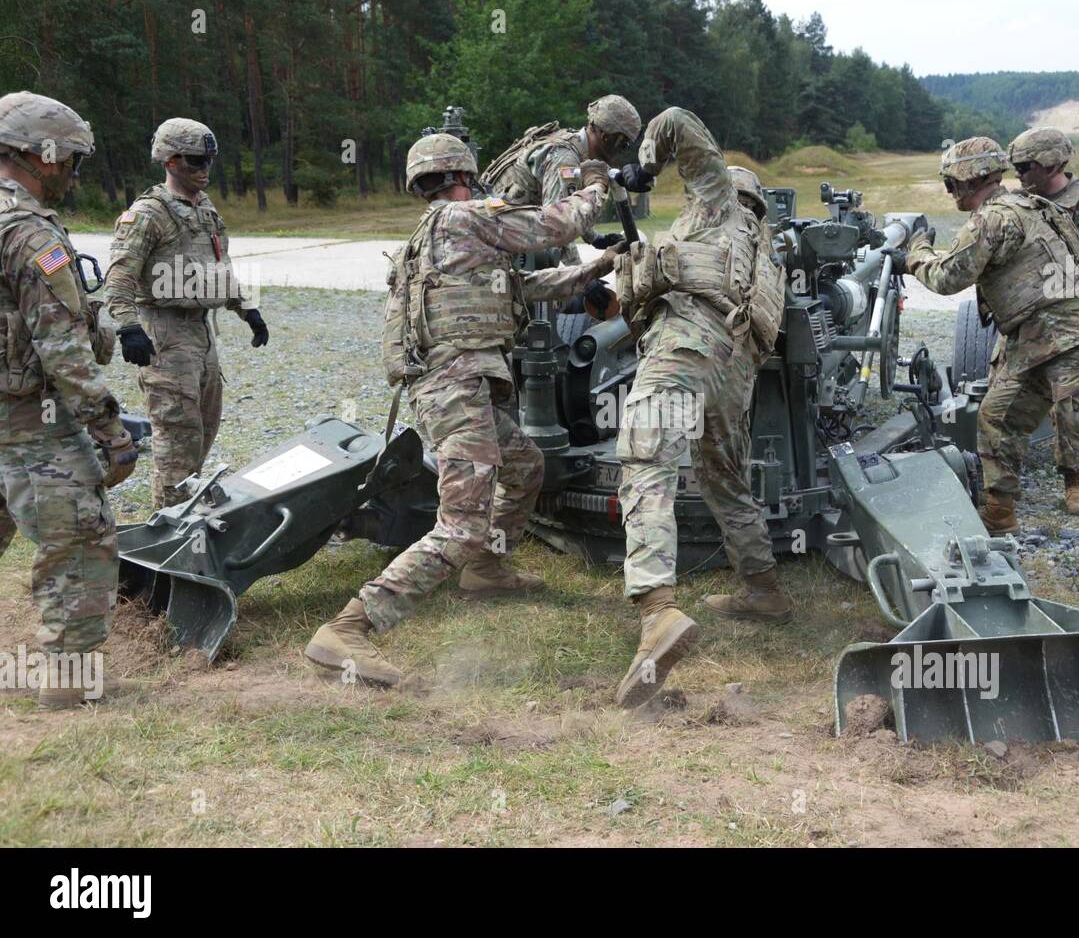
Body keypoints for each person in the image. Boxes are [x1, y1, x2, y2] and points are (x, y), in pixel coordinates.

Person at [304, 132, 621, 687]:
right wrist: (598, 185)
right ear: (465, 177)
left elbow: (520, 286)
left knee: (523, 465)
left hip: (452, 384)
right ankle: (350, 627)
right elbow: (553, 225)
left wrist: (597, 267)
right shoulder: (463, 218)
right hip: (457, 386)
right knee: (461, 526)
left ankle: (487, 568)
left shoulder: (434, 238)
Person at [904, 136, 1079, 570]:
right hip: (1032, 339)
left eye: (951, 184)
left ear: (969, 180)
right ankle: (999, 516)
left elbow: (947, 278)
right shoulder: (1027, 206)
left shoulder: (994, 219)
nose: (950, 193)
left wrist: (916, 252)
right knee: (998, 417)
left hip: (1068, 339)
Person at [609, 107, 788, 709]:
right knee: (724, 477)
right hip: (733, 372)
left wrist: (641, 167)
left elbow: (677, 120)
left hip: (686, 342)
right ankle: (762, 588)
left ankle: (658, 609)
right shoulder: (765, 258)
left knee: (646, 455)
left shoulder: (719, 207)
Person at [0, 91, 137, 709]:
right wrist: (108, 429)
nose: (74, 173)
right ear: (40, 156)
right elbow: (61, 349)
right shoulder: (31, 235)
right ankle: (66, 680)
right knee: (80, 541)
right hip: (32, 423)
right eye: (71, 160)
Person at [103, 118, 269, 509]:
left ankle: (184, 519)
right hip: (165, 335)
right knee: (177, 438)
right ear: (171, 160)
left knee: (202, 431)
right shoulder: (148, 213)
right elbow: (119, 276)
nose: (204, 170)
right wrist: (129, 327)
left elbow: (217, 268)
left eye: (209, 161)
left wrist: (247, 308)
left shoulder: (204, 208)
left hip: (201, 333)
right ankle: (169, 531)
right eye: (196, 161)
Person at [1000, 125, 1079, 514]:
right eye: (1015, 165)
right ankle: (1001, 488)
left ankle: (1075, 482)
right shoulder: (1021, 203)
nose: (1018, 172)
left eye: (1025, 165)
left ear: (1053, 163)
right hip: (1020, 323)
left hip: (1067, 327)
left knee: (1072, 405)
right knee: (1003, 404)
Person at [480, 95, 642, 260]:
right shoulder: (566, 159)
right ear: (606, 136)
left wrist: (595, 239)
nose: (623, 150)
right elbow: (556, 225)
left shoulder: (572, 145)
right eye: (624, 143)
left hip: (503, 228)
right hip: (495, 238)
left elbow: (568, 206)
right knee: (549, 259)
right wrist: (584, 279)